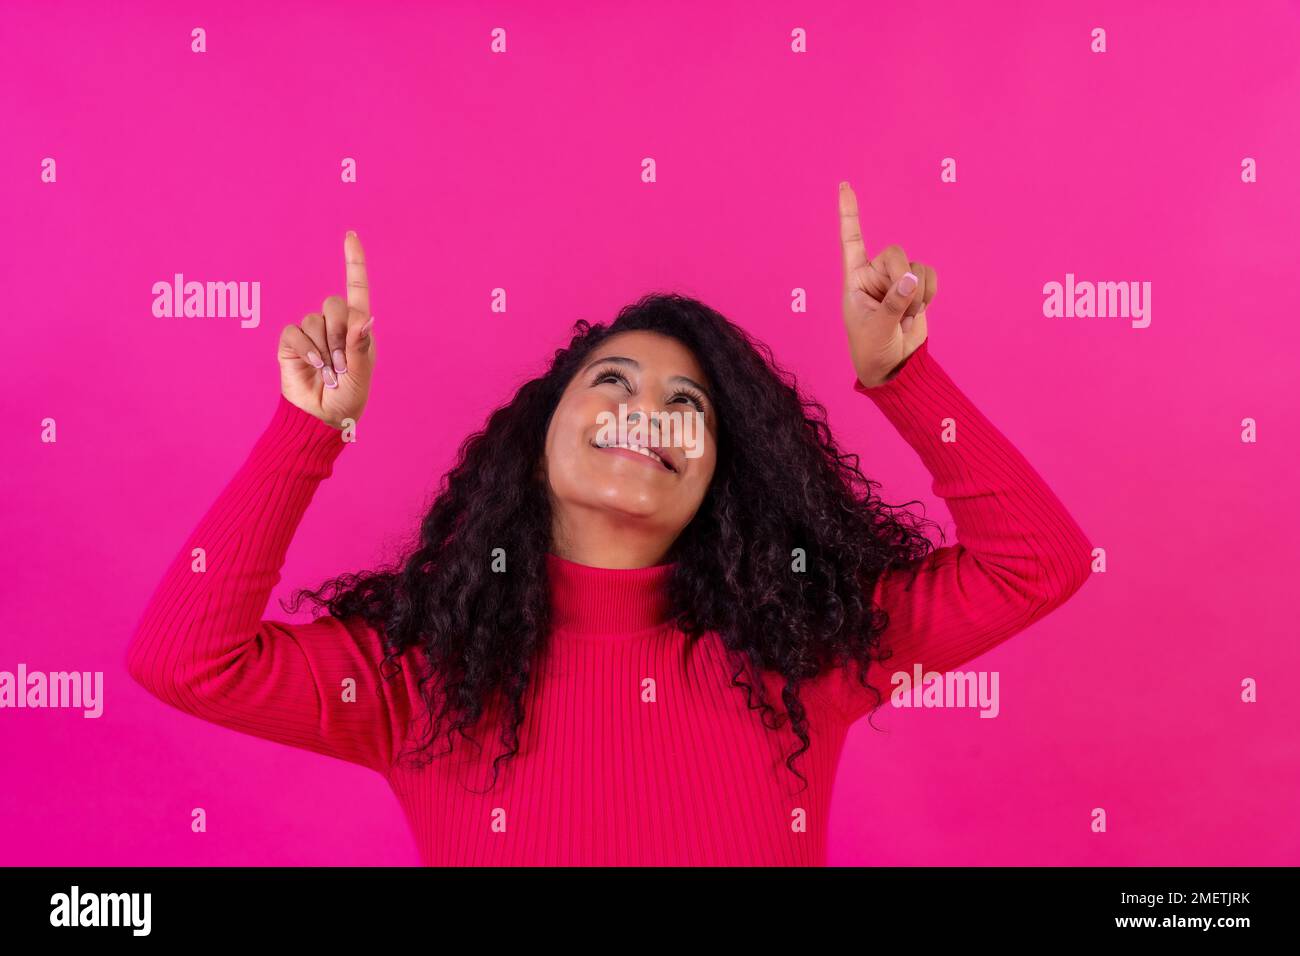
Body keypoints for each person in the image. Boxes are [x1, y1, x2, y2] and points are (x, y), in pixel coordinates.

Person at [126, 182, 1092, 865]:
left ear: (721, 474)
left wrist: (902, 374)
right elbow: (185, 660)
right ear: (539, 436)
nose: (648, 412)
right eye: (613, 383)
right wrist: (312, 426)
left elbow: (1038, 563)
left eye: (689, 405)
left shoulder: (809, 652)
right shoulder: (418, 678)